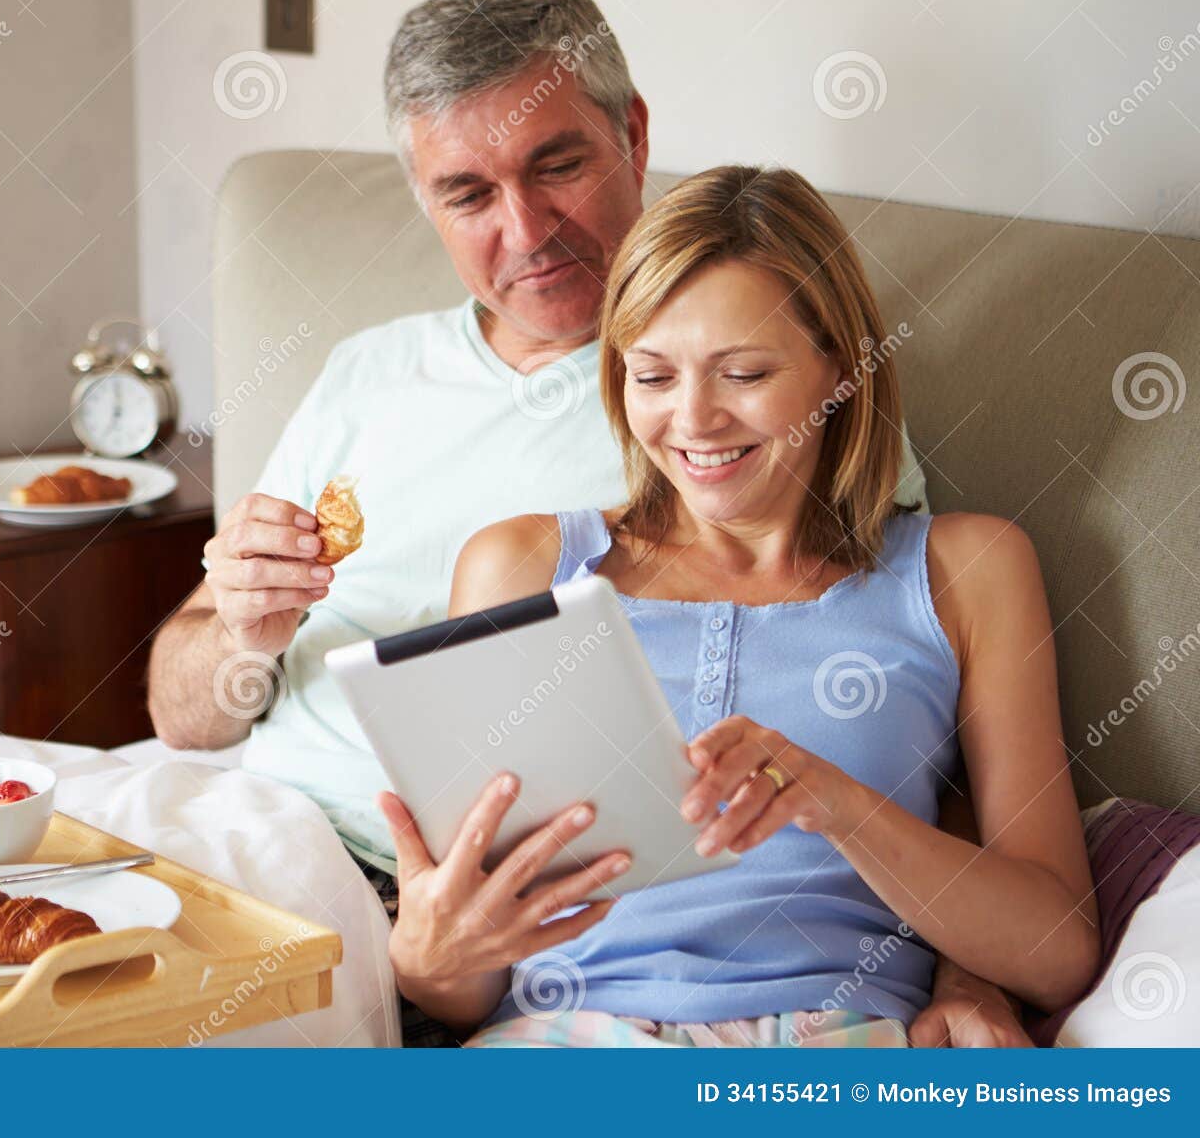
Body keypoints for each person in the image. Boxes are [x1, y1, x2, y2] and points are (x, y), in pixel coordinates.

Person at [148, 0, 1028, 1045]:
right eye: (467, 193)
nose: (525, 230)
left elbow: (911, 711)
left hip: (433, 894)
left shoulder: (734, 421)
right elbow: (182, 712)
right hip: (246, 819)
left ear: (633, 133)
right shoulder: (363, 373)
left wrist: (967, 974)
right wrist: (243, 633)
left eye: (556, 165)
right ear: (422, 199)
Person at [376, 165, 1098, 1047]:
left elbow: (1056, 951)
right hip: (565, 1039)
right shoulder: (522, 567)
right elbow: (462, 986)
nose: (694, 420)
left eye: (744, 372)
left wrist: (829, 798)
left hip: (831, 1039)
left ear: (840, 367)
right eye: (652, 377)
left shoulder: (968, 568)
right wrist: (424, 953)